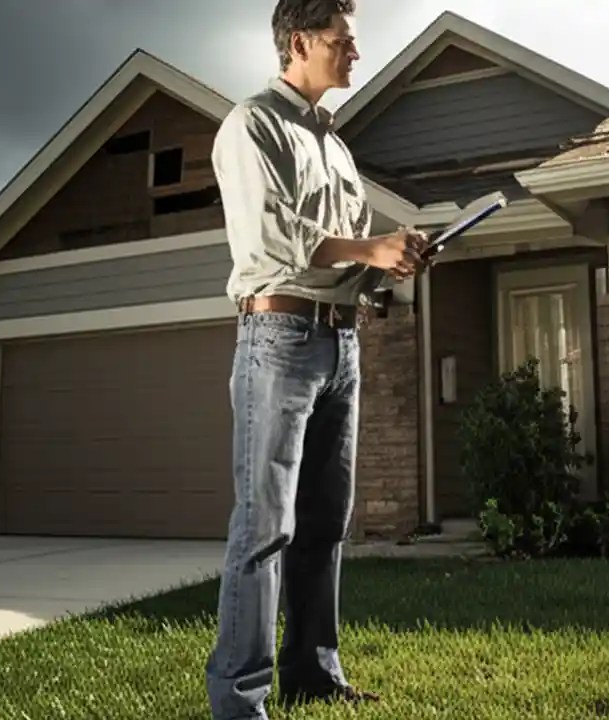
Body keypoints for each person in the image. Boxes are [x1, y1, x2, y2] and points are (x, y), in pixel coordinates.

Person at [203, 2, 426, 718]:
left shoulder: (336, 145)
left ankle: (313, 670)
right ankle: (239, 699)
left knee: (327, 522)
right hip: (280, 341)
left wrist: (389, 262)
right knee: (265, 526)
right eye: (344, 41)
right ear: (299, 42)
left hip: (341, 340)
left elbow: (349, 246)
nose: (355, 53)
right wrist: (368, 248)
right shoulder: (252, 126)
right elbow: (270, 237)